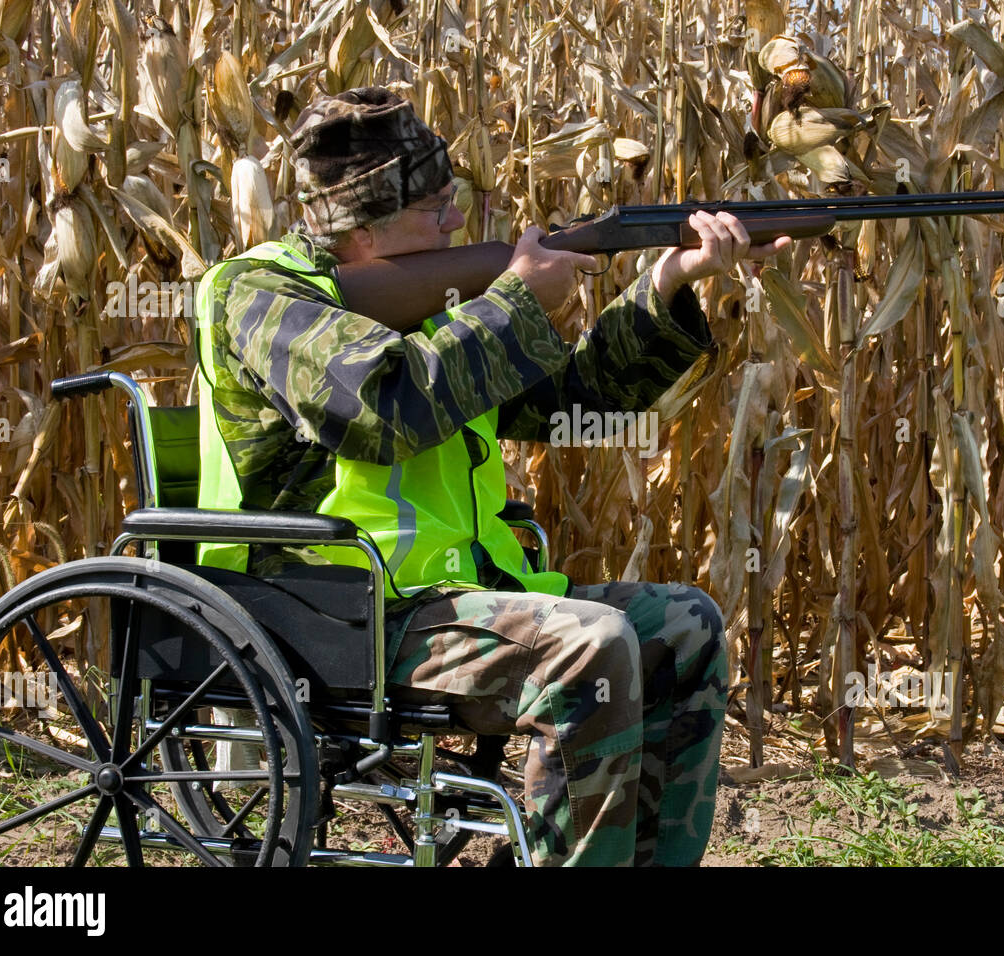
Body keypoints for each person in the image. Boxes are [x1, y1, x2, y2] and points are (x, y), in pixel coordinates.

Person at [192, 87, 788, 865]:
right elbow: (382, 410)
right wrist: (513, 305)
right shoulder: (258, 294)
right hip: (328, 612)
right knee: (590, 647)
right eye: (436, 207)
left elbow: (577, 404)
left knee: (685, 627)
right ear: (365, 230)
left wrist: (669, 282)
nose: (455, 223)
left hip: (445, 603)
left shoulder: (437, 301)